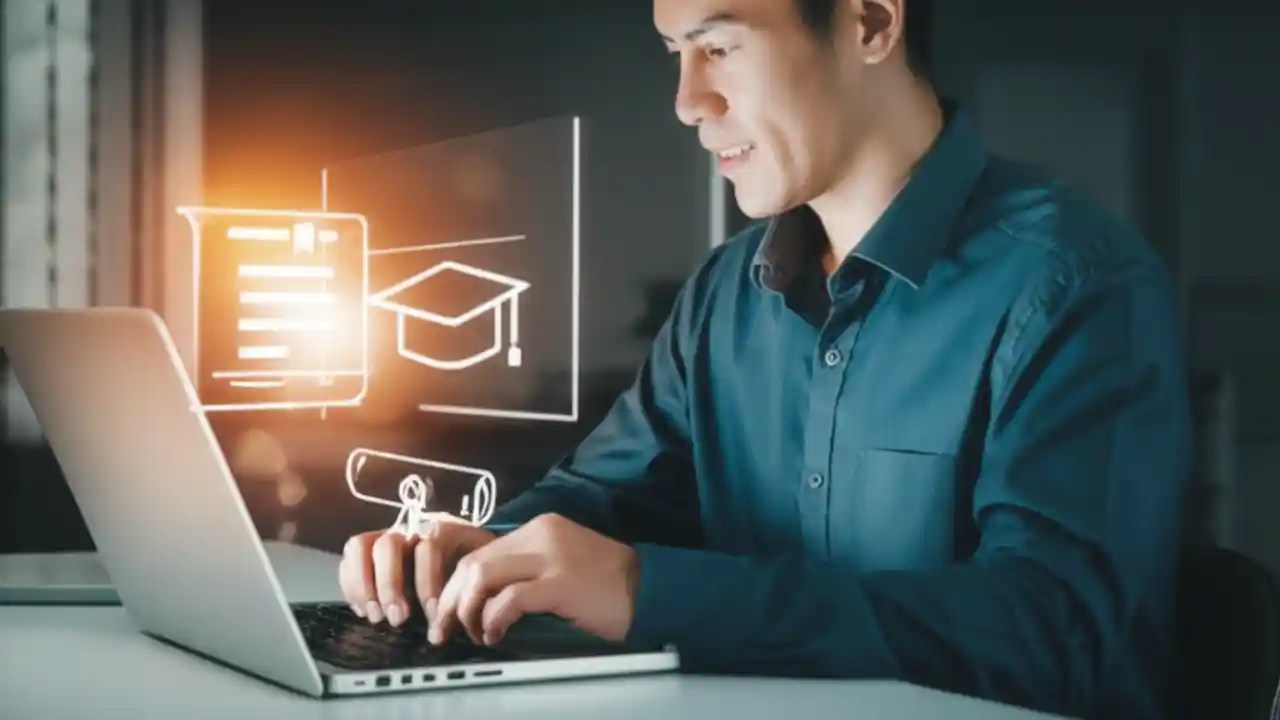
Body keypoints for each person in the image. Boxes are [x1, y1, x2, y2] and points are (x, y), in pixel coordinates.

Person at [338, 1, 1190, 717]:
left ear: (868, 21)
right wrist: (471, 554)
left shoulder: (1074, 284)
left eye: (719, 46)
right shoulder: (726, 293)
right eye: (675, 54)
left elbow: (1053, 636)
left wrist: (648, 589)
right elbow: (603, 501)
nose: (686, 100)